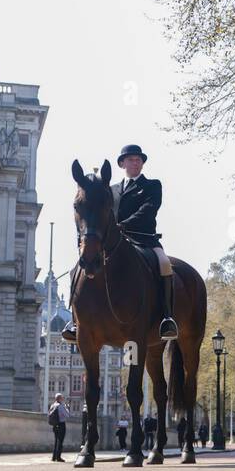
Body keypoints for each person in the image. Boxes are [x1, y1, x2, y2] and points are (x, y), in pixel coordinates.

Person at [62, 144, 176, 342]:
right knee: (76, 270)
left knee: (164, 264)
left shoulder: (152, 185)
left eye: (138, 160)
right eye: (131, 159)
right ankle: (75, 321)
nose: (136, 163)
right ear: (122, 163)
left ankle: (166, 317)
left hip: (144, 238)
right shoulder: (109, 189)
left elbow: (149, 209)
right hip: (113, 240)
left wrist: (123, 224)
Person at [47, 394, 67, 462]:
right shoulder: (60, 406)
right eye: (62, 398)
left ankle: (54, 457)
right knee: (60, 441)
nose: (63, 399)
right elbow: (67, 415)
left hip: (55, 425)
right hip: (61, 424)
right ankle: (58, 457)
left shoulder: (52, 405)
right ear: (60, 399)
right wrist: (66, 407)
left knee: (56, 441)